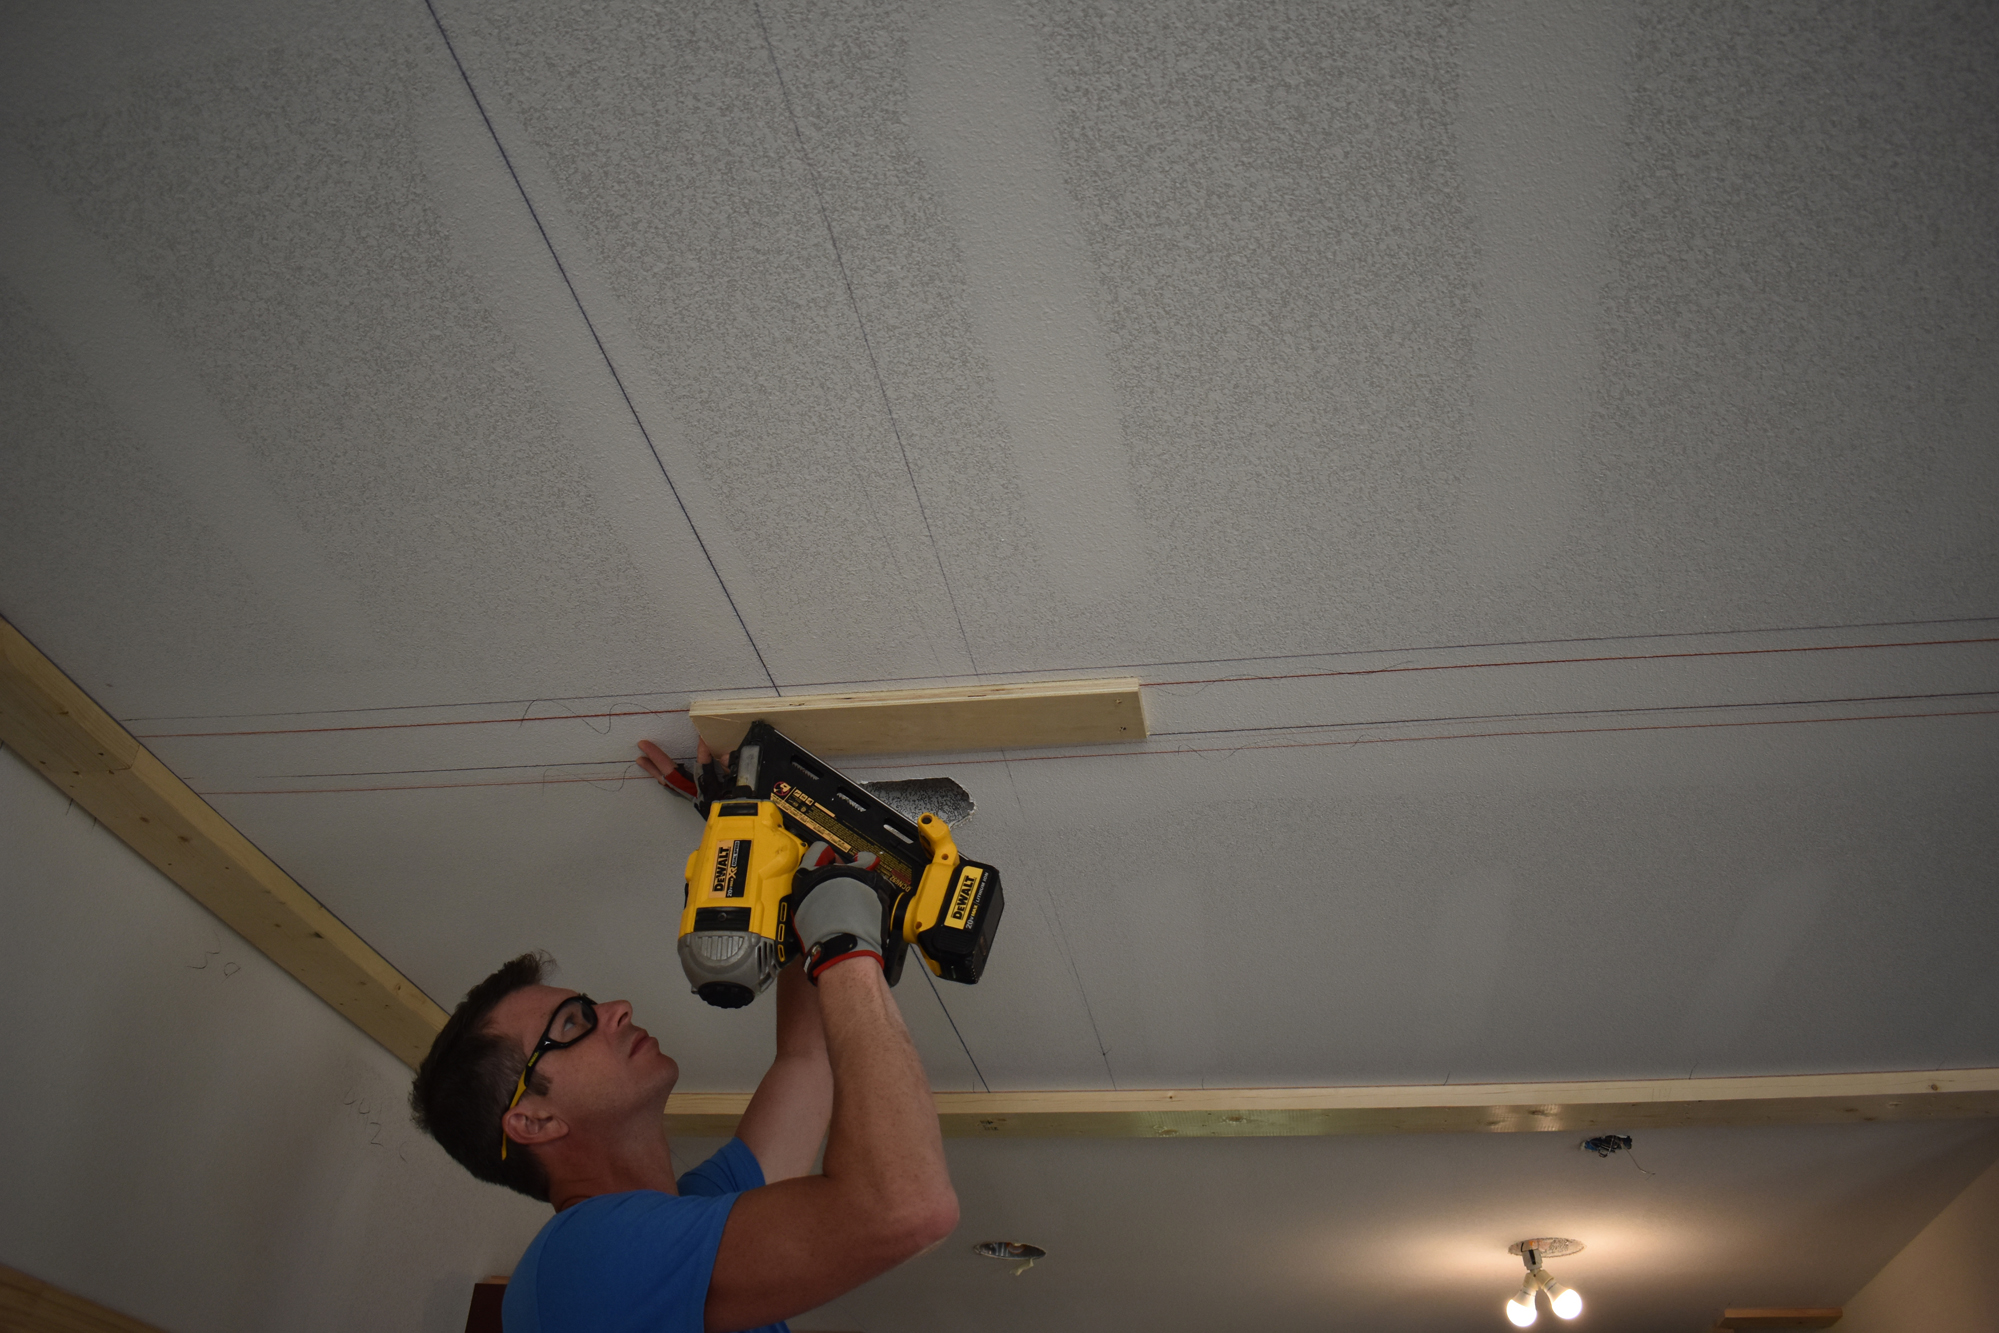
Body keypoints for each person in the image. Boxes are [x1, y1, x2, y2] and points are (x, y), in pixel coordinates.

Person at [408, 744, 958, 1333]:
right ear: (534, 1121)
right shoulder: (584, 1260)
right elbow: (905, 1207)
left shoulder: (689, 1215)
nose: (616, 1010)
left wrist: (765, 854)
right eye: (573, 1024)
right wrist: (845, 943)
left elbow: (808, 1060)